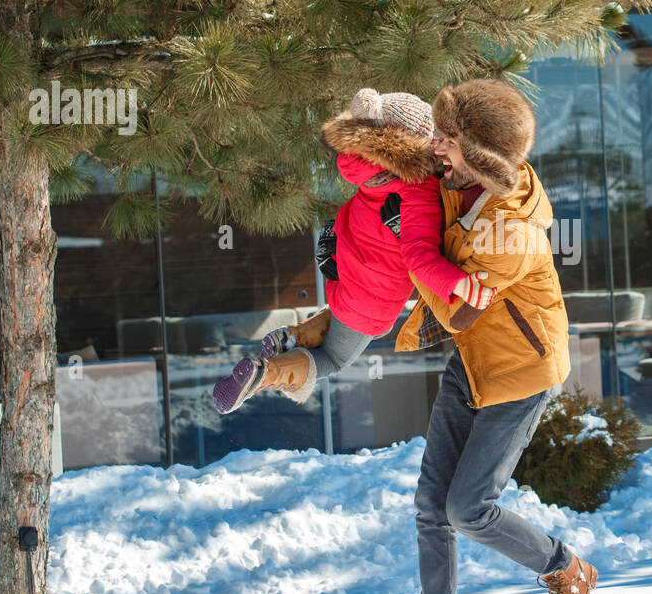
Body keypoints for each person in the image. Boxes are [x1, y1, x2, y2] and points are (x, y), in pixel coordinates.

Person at [392, 78, 596, 594]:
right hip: (475, 359)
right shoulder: (462, 184)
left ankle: (566, 569)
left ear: (480, 156)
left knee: (467, 507)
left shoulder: (510, 231)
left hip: (522, 370)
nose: (437, 148)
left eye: (448, 140)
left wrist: (410, 248)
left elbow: (454, 305)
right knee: (431, 503)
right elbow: (415, 203)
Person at [212, 88, 497, 414]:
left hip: (347, 269)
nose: (436, 144)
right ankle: (264, 374)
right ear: (413, 142)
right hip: (370, 295)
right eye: (430, 137)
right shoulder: (416, 190)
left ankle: (292, 337)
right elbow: (419, 258)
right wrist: (459, 284)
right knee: (333, 359)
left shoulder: (373, 173)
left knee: (346, 320)